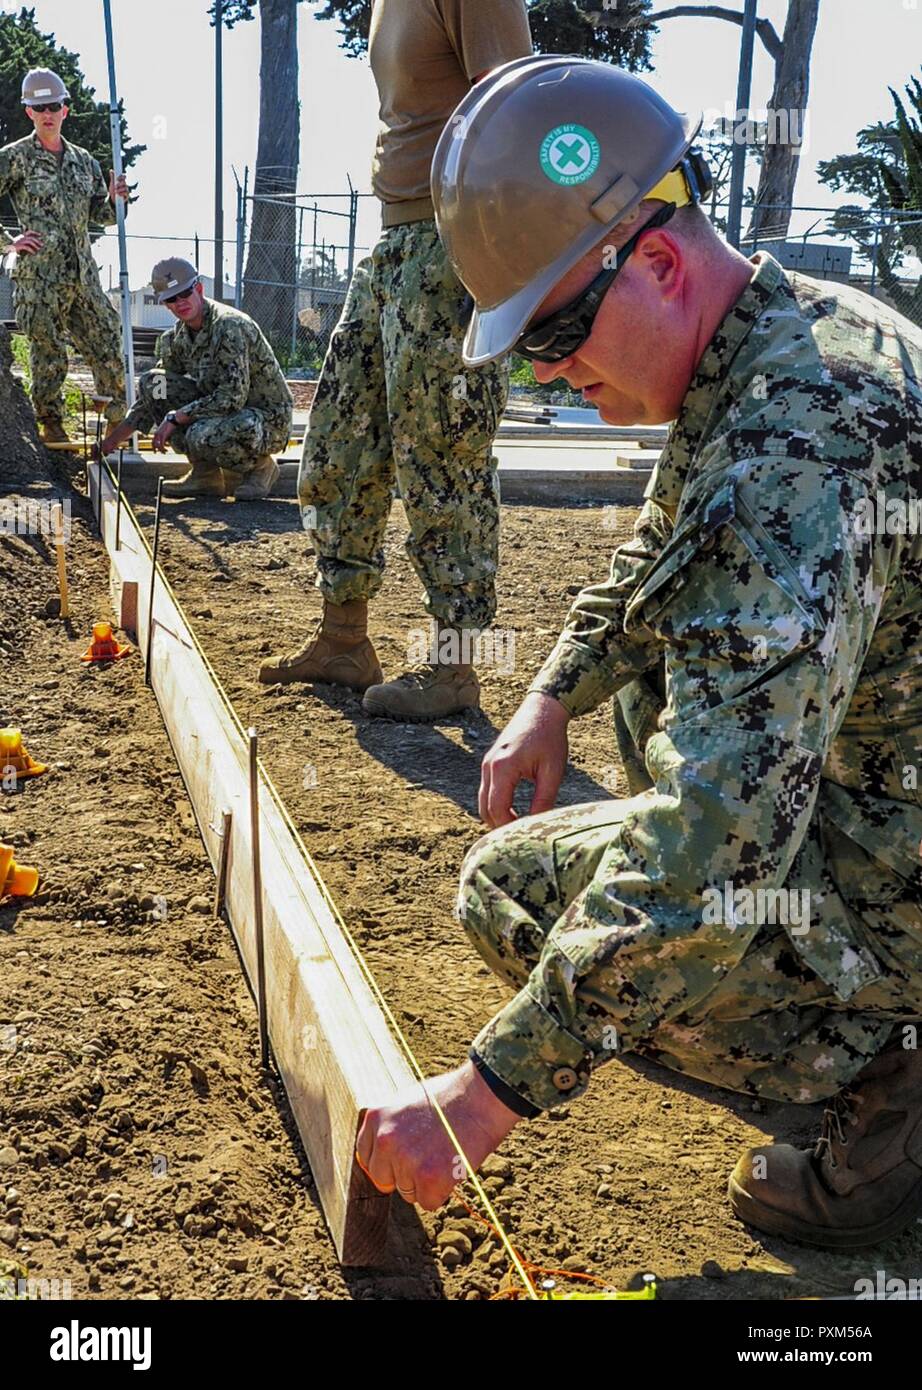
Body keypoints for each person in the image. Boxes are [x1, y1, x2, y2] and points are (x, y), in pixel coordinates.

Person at [356, 57, 922, 1250]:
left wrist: (484, 1094)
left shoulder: (791, 457)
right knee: (652, 693)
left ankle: (885, 1084)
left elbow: (716, 842)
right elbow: (657, 557)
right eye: (524, 354)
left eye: (554, 332)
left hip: (894, 882)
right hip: (883, 789)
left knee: (511, 888)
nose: (550, 376)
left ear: (658, 261)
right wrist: (552, 694)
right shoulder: (779, 336)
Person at [258, 0, 533, 720]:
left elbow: (515, 110)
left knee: (444, 459)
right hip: (392, 244)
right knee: (338, 445)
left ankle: (453, 669)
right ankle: (344, 639)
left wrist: (492, 260)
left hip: (453, 242)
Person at [0, 68, 130, 447]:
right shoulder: (15, 158)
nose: (47, 113)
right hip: (39, 280)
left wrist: (115, 200)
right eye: (39, 107)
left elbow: (101, 215)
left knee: (108, 341)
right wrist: (8, 242)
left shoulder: (84, 161)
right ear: (29, 112)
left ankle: (117, 422)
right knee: (48, 350)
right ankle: (51, 421)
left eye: (53, 105)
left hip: (83, 277)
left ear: (65, 109)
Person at [101, 259, 293, 500]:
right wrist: (111, 442)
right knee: (153, 383)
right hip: (222, 412)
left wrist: (176, 417)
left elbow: (232, 397)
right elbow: (155, 394)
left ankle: (261, 468)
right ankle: (205, 476)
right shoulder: (176, 338)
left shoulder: (229, 326)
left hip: (264, 418)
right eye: (172, 299)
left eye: (185, 293)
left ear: (199, 289)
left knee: (197, 433)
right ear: (165, 304)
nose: (180, 302)